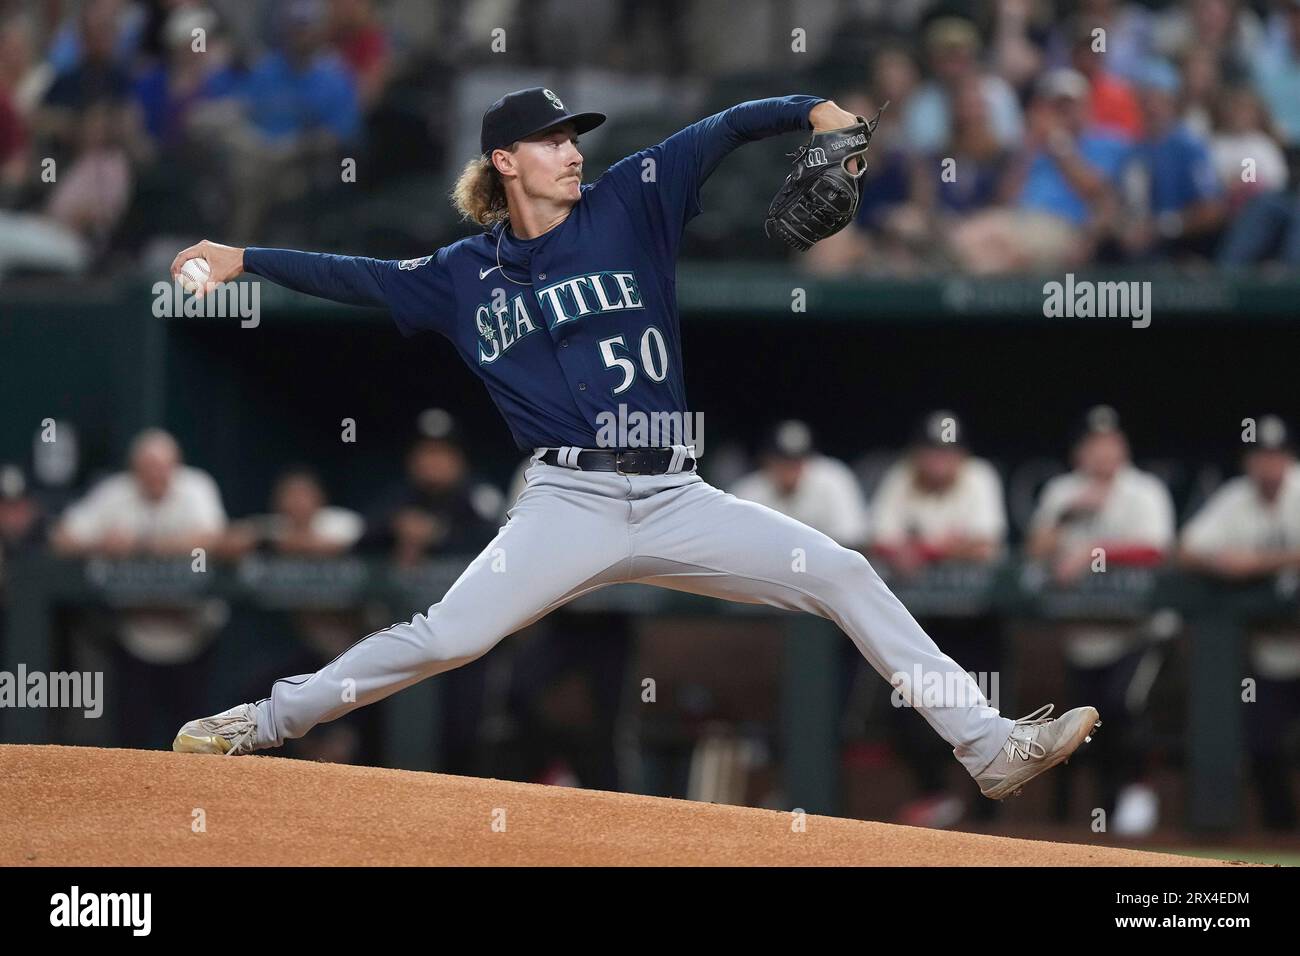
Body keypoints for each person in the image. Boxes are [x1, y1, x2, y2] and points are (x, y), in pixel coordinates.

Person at [168, 86, 1099, 804]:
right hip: (565, 504)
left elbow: (729, 125)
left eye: (578, 138)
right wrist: (241, 257)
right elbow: (359, 276)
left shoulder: (633, 201)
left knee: (845, 572)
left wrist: (822, 114)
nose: (576, 152)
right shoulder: (461, 276)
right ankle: (262, 721)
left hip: (675, 496)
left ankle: (986, 745)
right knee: (447, 636)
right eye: (556, 140)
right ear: (506, 159)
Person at [1025, 406, 1174, 833]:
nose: (1103, 452)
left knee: (1122, 707)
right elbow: (1034, 552)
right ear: (1079, 452)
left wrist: (1094, 551)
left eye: (1110, 442)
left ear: (1122, 447)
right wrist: (1067, 517)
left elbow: (1156, 551)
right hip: (1082, 636)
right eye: (1093, 444)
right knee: (1087, 730)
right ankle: (1102, 824)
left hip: (1138, 631)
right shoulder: (1063, 491)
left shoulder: (1144, 491)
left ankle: (1138, 791)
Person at [870, 411, 1008, 828]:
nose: (938, 462)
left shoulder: (979, 477)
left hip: (975, 621)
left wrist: (926, 549)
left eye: (947, 453)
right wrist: (928, 548)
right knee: (907, 708)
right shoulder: (901, 479)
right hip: (922, 623)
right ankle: (935, 795)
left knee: (987, 705)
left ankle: (989, 816)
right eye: (931, 453)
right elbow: (879, 537)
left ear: (961, 455)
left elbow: (985, 544)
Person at [1180, 415, 1300, 830]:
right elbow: (1186, 549)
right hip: (1271, 651)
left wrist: (1258, 564)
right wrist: (1222, 562)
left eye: (1276, 455)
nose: (1268, 465)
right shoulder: (1236, 497)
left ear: (1289, 459)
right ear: (1249, 462)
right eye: (1260, 456)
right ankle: (1280, 835)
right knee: (1263, 744)